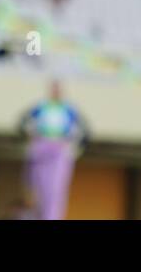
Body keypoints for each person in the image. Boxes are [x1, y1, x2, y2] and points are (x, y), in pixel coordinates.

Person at [19, 81, 89, 220]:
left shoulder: (68, 108)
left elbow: (83, 127)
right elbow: (23, 121)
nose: (55, 92)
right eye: (53, 89)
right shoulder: (42, 106)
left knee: (55, 191)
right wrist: (29, 136)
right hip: (41, 145)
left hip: (59, 147)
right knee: (34, 187)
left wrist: (78, 144)